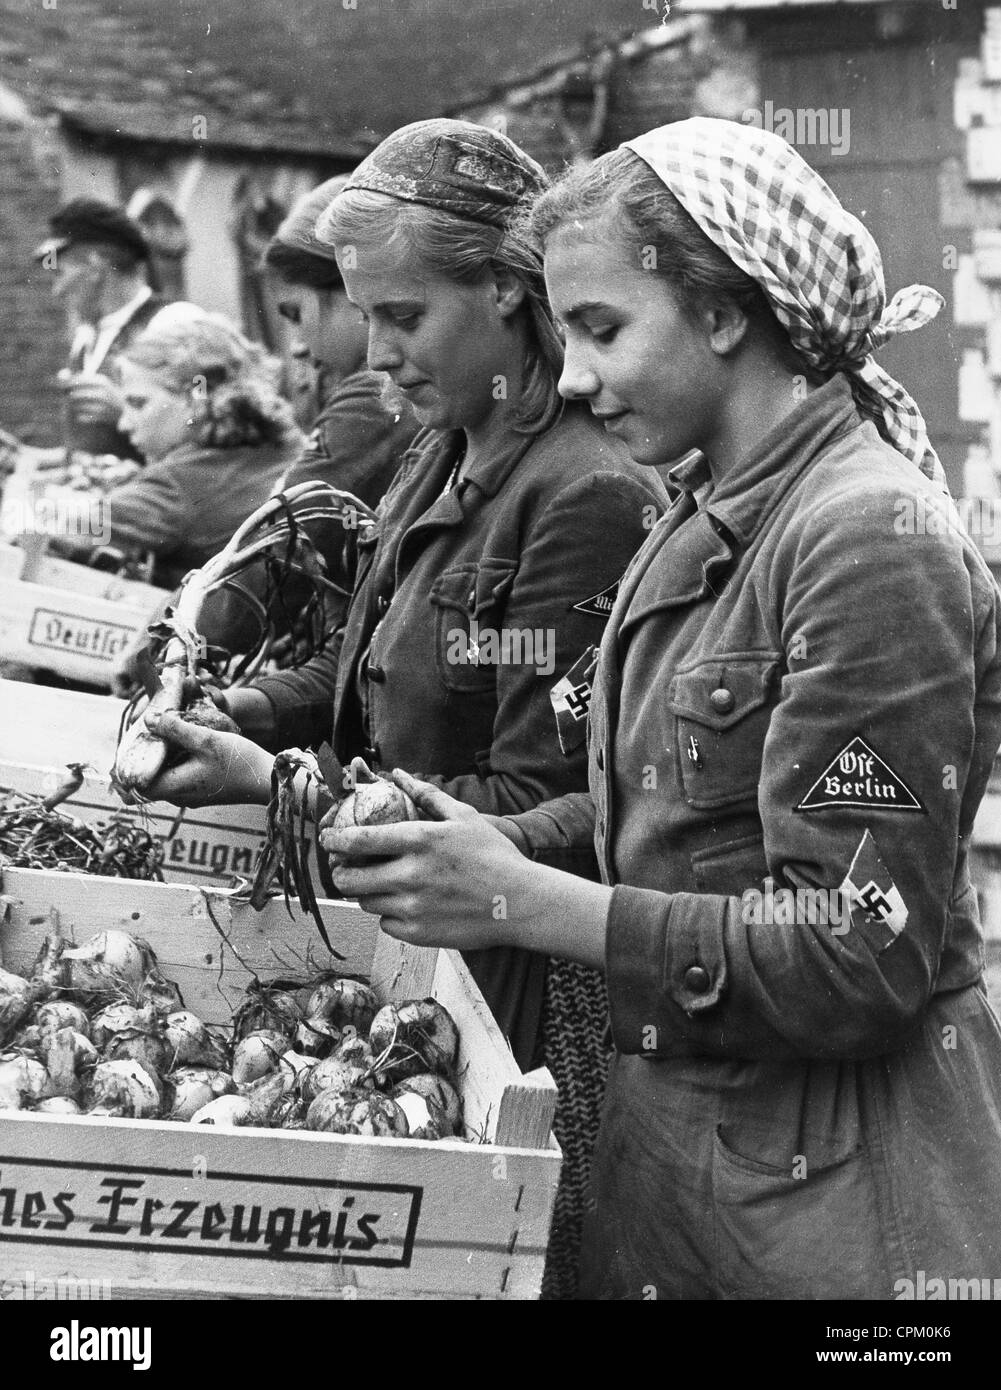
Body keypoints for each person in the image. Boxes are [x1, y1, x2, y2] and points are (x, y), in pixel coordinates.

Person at [312, 117, 1001, 1300]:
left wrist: (523, 900)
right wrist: (480, 847)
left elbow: (856, 950)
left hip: (829, 1208)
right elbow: (655, 820)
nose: (569, 374)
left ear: (725, 313)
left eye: (599, 330)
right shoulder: (700, 514)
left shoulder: (862, 544)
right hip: (688, 1167)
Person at [139, 119, 667, 1299]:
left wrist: (271, 784)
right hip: (405, 950)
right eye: (361, 313)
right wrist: (245, 707)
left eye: (403, 316)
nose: (374, 351)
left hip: (504, 997)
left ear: (508, 292)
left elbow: (549, 804)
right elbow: (370, 667)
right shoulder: (450, 444)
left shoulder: (581, 495)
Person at [188, 177, 420, 675]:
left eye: (297, 314)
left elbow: (279, 547)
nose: (295, 343)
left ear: (350, 296)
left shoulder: (373, 397)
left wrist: (174, 641)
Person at [58, 311, 303, 589]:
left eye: (138, 404)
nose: (124, 424)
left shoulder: (176, 485)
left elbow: (69, 537)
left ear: (195, 399)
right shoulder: (287, 447)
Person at [33, 198, 169, 459]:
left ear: (96, 266)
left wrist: (125, 413)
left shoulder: (169, 323)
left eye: (59, 273)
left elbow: (204, 435)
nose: (57, 290)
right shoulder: (86, 339)